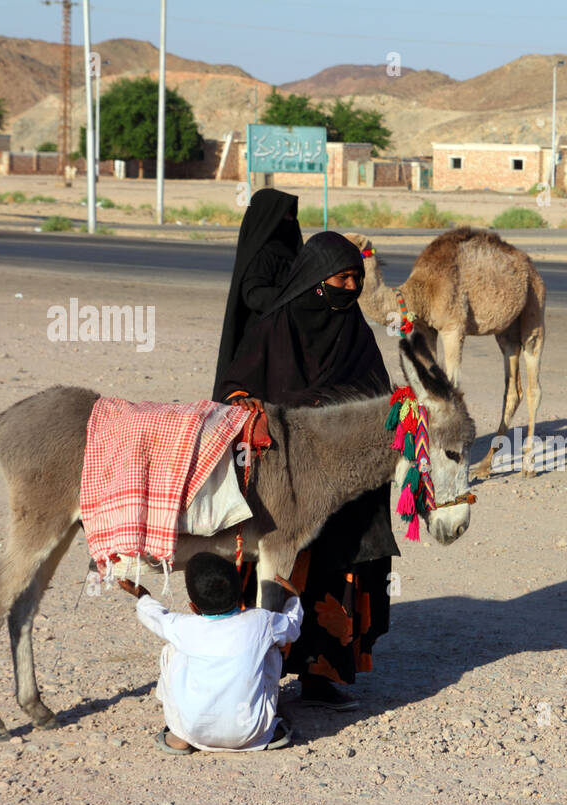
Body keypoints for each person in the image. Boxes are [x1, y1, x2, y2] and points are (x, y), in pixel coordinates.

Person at [216, 231, 399, 712]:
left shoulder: (355, 332)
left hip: (339, 479)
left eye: (357, 280)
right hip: (283, 476)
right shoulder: (275, 325)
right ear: (318, 282)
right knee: (269, 569)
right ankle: (249, 669)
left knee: (334, 572)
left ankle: (320, 676)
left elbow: (376, 400)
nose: (351, 288)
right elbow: (236, 389)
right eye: (343, 278)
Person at [124, 553, 303, 754]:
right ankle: (269, 731)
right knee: (270, 647)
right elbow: (293, 626)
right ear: (239, 593)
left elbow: (154, 616)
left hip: (194, 730)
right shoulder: (261, 621)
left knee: (171, 649)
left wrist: (142, 595)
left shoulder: (182, 626)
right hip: (251, 732)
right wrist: (294, 599)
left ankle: (178, 735)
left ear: (193, 607)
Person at [212, 188, 303, 401]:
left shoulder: (292, 252)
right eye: (285, 215)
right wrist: (292, 297)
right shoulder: (263, 254)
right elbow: (253, 294)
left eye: (292, 214)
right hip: (261, 341)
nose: (290, 220)